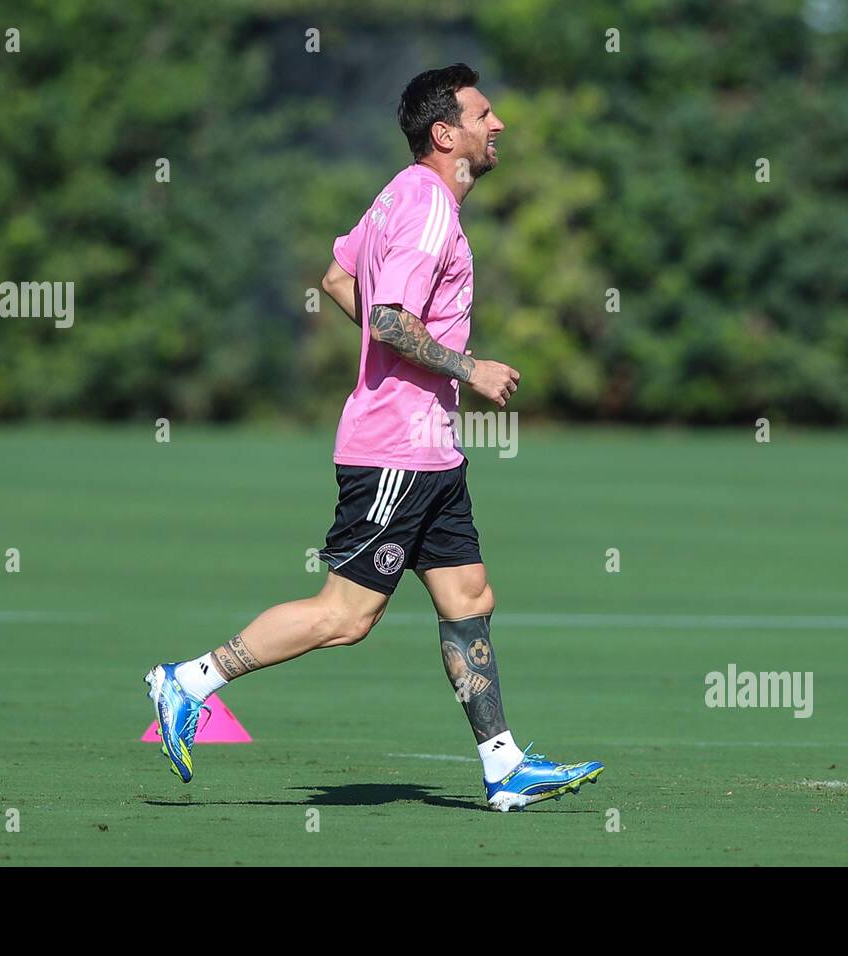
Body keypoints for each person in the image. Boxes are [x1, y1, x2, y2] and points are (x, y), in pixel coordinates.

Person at [146, 63, 604, 811]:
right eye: (484, 114)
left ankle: (502, 767)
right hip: (396, 451)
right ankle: (187, 682)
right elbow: (390, 320)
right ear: (444, 133)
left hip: (432, 453)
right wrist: (469, 368)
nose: (500, 126)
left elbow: (335, 278)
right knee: (346, 616)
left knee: (468, 595)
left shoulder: (400, 194)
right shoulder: (427, 207)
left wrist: (409, 364)